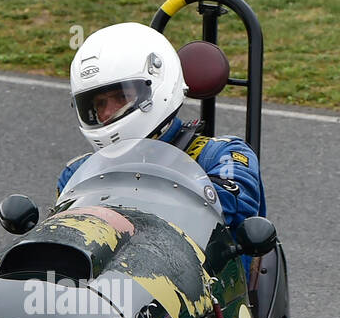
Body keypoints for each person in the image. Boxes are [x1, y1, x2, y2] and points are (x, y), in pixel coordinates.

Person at [58, 23, 265, 235]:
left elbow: (232, 210)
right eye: (99, 104)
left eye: (121, 97)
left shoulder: (222, 156)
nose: (107, 114)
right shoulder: (79, 172)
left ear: (158, 87)